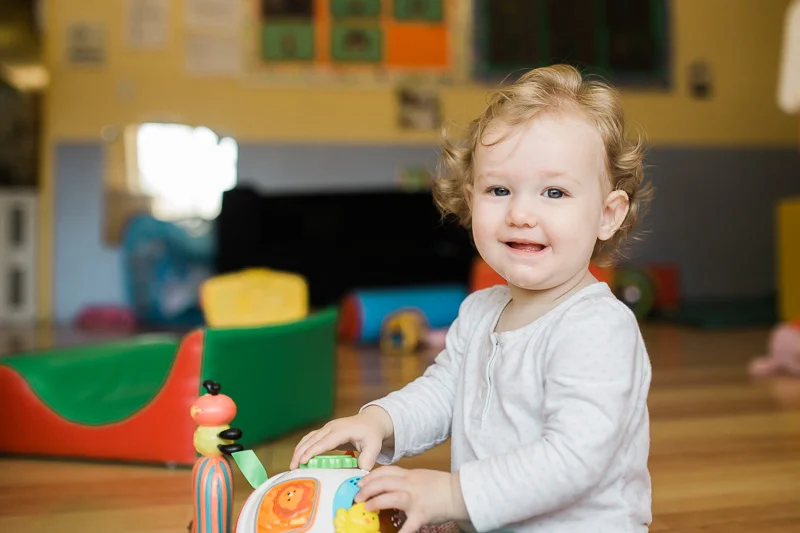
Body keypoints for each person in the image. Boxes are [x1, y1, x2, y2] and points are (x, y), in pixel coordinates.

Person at [290, 64, 654, 533]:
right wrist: (380, 422)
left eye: (554, 192)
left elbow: (574, 457)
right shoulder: (481, 310)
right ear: (471, 198)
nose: (521, 212)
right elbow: (444, 393)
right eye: (499, 189)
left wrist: (450, 495)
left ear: (607, 215)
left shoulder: (598, 328)